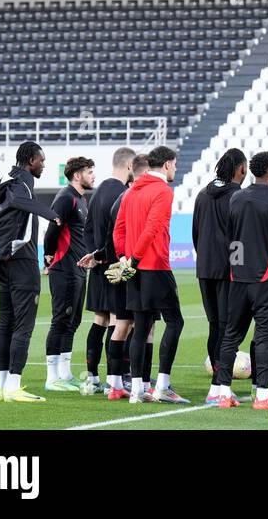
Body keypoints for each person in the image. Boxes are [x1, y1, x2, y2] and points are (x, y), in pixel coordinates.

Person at [213, 151, 268, 410]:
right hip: (266, 280)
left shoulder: (237, 197)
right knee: (265, 337)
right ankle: (262, 397)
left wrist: (236, 269)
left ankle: (224, 393)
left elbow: (230, 238)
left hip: (239, 278)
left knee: (230, 336)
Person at [0, 141, 60, 403]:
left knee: (6, 322)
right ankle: (14, 387)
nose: (43, 164)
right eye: (41, 159)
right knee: (23, 324)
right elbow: (19, 200)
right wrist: (50, 214)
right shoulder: (24, 180)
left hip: (2, 258)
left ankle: (3, 386)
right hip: (22, 259)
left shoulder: (4, 178)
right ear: (30, 160)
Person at [114, 145, 187, 405]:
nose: (175, 169)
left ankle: (136, 390)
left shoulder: (132, 190)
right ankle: (163, 386)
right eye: (175, 165)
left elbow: (119, 229)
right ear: (166, 164)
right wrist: (135, 258)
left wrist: (125, 259)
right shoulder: (162, 191)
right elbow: (153, 228)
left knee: (141, 327)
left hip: (134, 270)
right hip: (154, 265)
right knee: (175, 322)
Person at [78, 147, 134, 395]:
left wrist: (94, 255)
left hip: (99, 267)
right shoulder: (122, 193)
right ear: (130, 166)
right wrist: (106, 256)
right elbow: (117, 232)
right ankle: (119, 377)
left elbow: (87, 229)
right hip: (114, 266)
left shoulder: (98, 191)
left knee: (99, 320)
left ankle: (92, 377)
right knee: (118, 321)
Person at [192, 148, 244, 405]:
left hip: (205, 269)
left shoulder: (202, 194)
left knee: (216, 325)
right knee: (227, 327)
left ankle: (217, 384)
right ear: (240, 170)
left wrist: (204, 258)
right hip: (227, 270)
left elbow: (195, 233)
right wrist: (238, 266)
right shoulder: (237, 196)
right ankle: (219, 386)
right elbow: (238, 238)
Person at [41, 155, 94, 393]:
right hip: (64, 269)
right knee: (60, 321)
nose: (93, 175)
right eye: (89, 171)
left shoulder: (81, 199)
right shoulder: (65, 198)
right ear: (76, 175)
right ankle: (52, 377)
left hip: (78, 269)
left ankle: (65, 373)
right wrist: (49, 255)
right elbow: (52, 228)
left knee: (73, 322)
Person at [101, 153, 147, 399]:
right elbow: (120, 233)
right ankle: (138, 383)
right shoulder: (131, 197)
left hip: (120, 266)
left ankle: (114, 383)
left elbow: (113, 233)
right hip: (132, 269)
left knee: (121, 325)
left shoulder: (122, 197)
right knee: (142, 327)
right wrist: (127, 261)